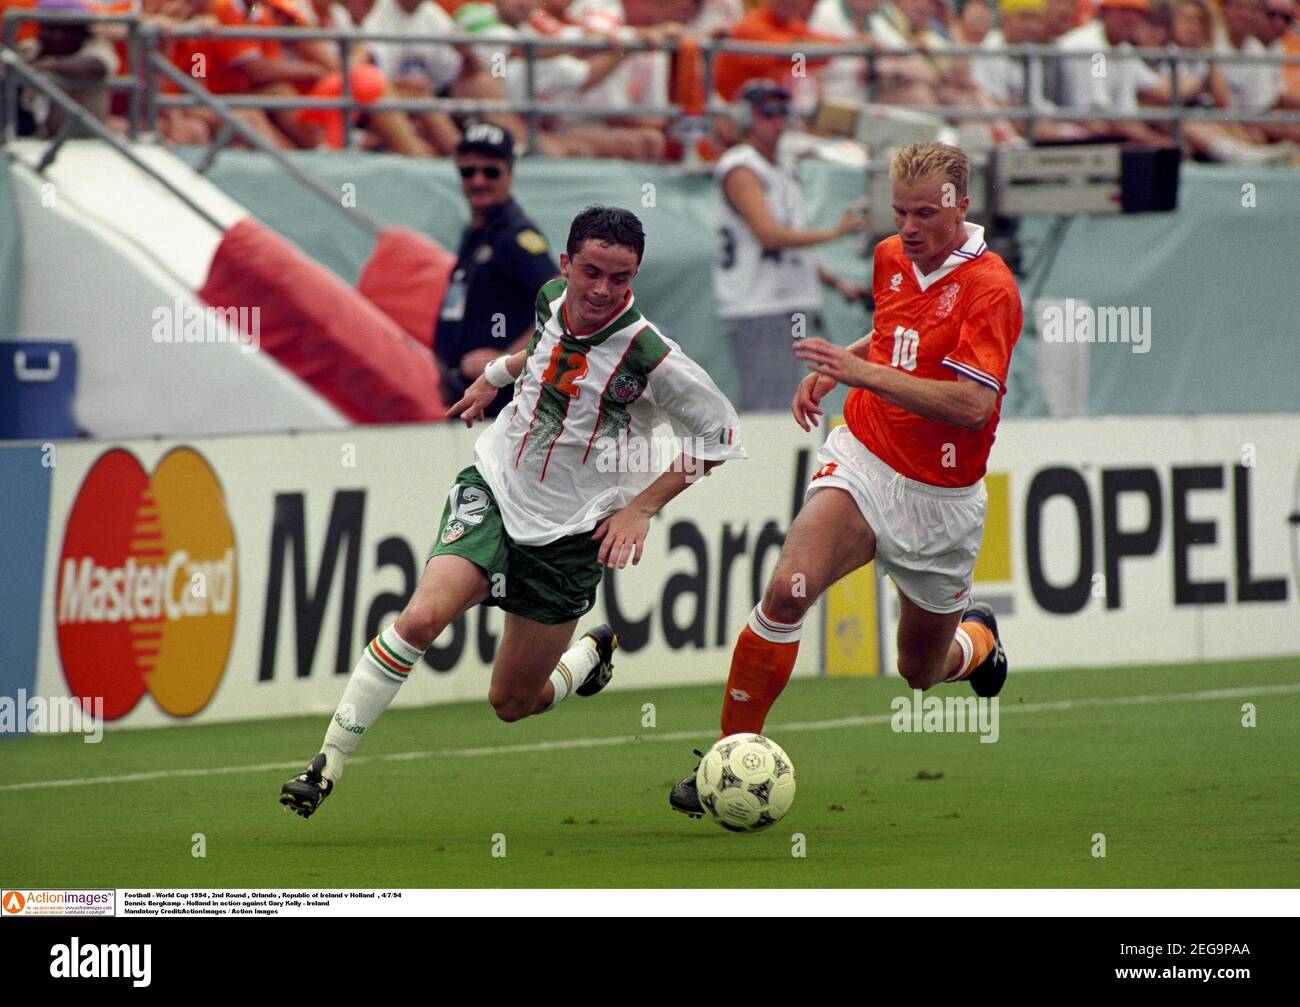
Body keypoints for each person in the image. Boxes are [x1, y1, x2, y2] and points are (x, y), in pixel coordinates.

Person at [281, 205, 747, 818]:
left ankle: (585, 660)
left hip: (571, 534)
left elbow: (721, 436)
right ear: (566, 266)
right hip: (496, 488)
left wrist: (641, 509)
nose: (604, 290)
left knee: (512, 702)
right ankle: (327, 763)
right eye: (591, 273)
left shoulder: (653, 357)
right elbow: (540, 349)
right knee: (421, 619)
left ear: (635, 275)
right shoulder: (552, 297)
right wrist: (494, 378)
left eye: (621, 278)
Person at [670, 141, 1021, 818]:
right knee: (786, 590)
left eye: (924, 213)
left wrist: (859, 371)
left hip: (940, 502)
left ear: (962, 207)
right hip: (864, 456)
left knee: (920, 672)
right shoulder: (892, 256)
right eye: (900, 212)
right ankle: (727, 756)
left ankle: (977, 643)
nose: (908, 228)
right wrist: (845, 364)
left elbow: (973, 405)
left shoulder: (991, 288)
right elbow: (895, 332)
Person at [714, 79, 870, 412]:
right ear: (746, 118)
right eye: (767, 111)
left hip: (788, 303)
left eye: (783, 109)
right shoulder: (741, 166)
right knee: (769, 408)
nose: (778, 118)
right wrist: (835, 233)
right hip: (759, 305)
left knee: (791, 405)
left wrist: (834, 281)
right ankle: (759, 467)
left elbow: (792, 241)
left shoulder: (781, 164)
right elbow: (768, 234)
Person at [434, 121, 560, 417]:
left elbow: (561, 304)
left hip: (506, 404)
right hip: (473, 399)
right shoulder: (477, 233)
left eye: (490, 171)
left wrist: (505, 361)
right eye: (468, 172)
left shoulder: (516, 236)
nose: (478, 180)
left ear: (510, 174)